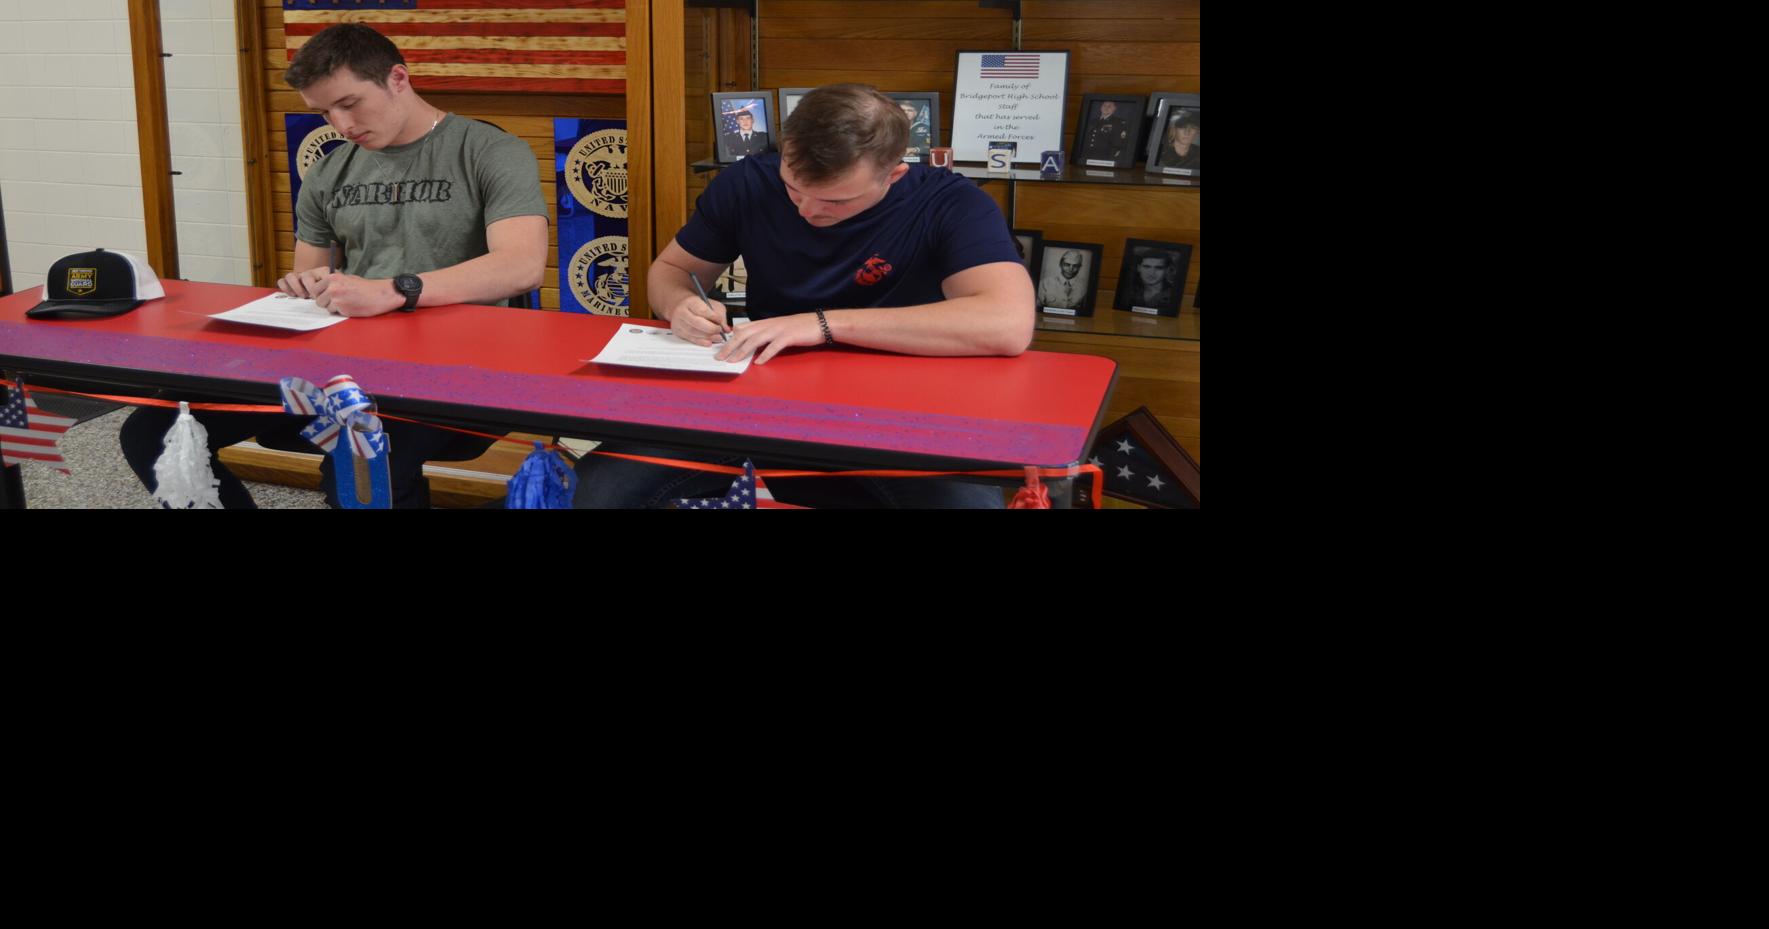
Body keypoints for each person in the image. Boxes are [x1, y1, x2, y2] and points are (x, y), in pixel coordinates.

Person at [118, 23, 548, 508]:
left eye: (349, 103)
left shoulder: (490, 151)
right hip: (344, 366)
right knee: (152, 432)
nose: (341, 125)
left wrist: (392, 290)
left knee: (362, 467)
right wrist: (306, 285)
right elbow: (312, 278)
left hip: (456, 368)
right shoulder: (328, 171)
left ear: (397, 79)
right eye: (324, 112)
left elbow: (521, 266)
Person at [573, 83, 1033, 508]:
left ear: (893, 175)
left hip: (900, 410)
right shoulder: (749, 182)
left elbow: (1007, 324)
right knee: (595, 490)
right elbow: (671, 271)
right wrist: (680, 304)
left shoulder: (950, 202)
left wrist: (822, 325)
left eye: (836, 201)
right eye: (793, 188)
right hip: (760, 398)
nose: (808, 210)